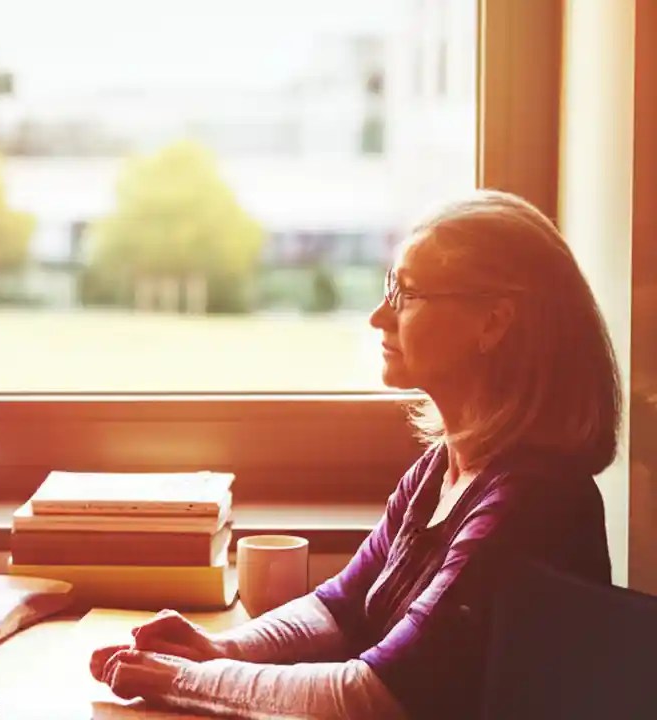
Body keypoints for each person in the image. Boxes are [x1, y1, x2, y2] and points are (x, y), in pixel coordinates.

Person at [89, 189, 620, 719]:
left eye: (407, 294)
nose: (378, 317)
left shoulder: (531, 500)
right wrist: (222, 649)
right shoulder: (441, 471)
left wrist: (186, 680)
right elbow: (338, 608)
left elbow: (374, 695)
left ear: (493, 323)